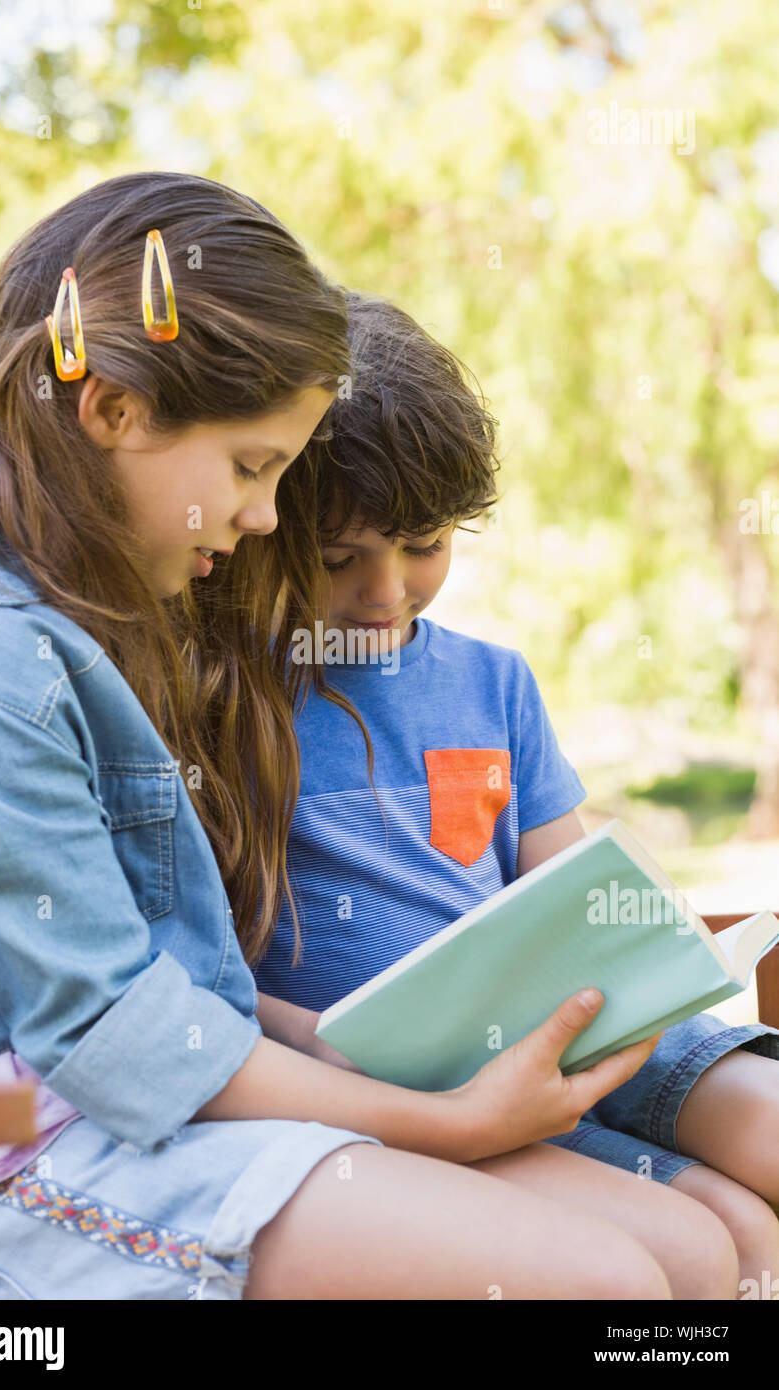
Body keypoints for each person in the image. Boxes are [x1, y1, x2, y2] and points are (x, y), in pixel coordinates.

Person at [252, 289, 779, 1300]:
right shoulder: (233, 709)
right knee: (729, 1244)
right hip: (421, 1089)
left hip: (602, 1034)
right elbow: (219, 981)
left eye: (423, 547)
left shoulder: (492, 682)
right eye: (337, 557)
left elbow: (569, 899)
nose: (386, 590)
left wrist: (642, 927)